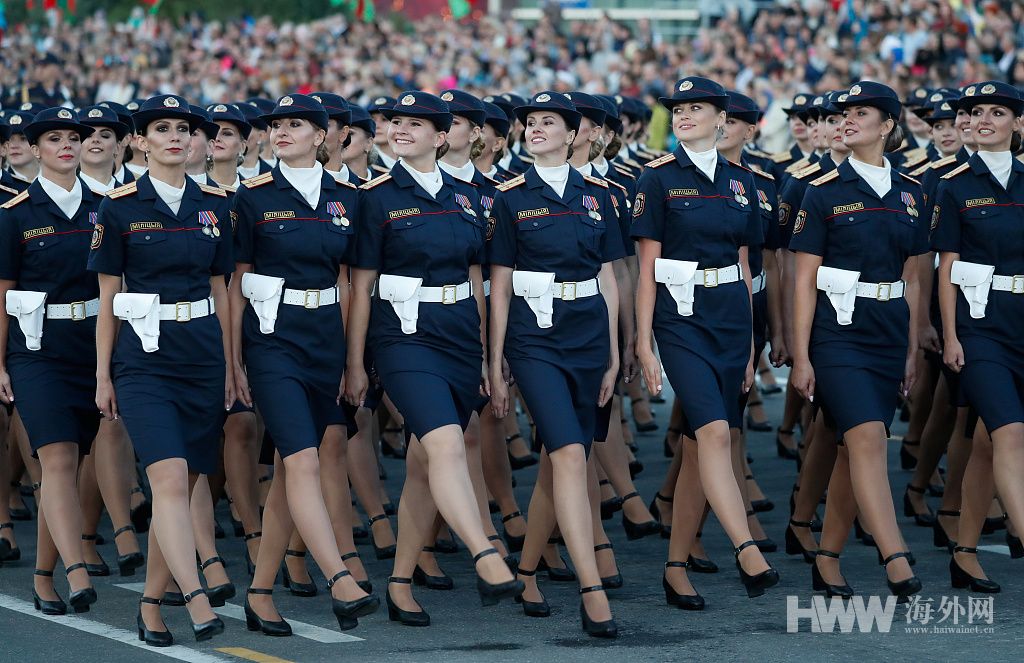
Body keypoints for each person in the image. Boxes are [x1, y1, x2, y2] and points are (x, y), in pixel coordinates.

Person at [345, 90, 522, 628]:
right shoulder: (374, 196)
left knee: (426, 464)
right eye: (396, 122)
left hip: (459, 336)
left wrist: (492, 360)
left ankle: (399, 583)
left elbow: (480, 278)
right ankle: (486, 554)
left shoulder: (471, 198)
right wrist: (356, 363)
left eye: (415, 124)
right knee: (445, 442)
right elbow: (360, 286)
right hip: (402, 337)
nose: (400, 129)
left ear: (442, 136)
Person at [230, 94, 379, 634]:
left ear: (323, 136)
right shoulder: (252, 198)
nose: (283, 131)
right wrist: (233, 362)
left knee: (299, 471)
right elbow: (234, 288)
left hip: (326, 342)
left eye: (296, 124)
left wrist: (354, 362)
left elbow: (352, 285)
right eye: (277, 125)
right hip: (271, 342)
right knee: (302, 462)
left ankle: (260, 593)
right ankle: (340, 576)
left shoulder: (349, 199)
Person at [89, 94, 233, 646]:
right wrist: (103, 374)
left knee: (189, 481)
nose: (176, 136)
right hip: (143, 359)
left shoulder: (216, 205)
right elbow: (107, 298)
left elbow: (223, 290)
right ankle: (195, 598)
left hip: (201, 353)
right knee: (168, 480)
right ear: (140, 141)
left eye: (183, 128)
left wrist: (230, 365)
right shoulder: (119, 206)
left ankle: (150, 605)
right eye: (161, 128)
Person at [632, 77, 779, 606]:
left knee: (700, 445)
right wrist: (644, 341)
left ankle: (674, 567)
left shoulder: (744, 183)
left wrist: (749, 348)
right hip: (680, 320)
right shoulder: (658, 180)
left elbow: (744, 265)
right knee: (715, 433)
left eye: (697, 108)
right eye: (679, 109)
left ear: (723, 118)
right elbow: (647, 268)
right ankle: (745, 547)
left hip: (731, 321)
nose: (684, 116)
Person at [488, 91, 624, 638]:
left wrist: (614, 354)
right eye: (532, 122)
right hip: (534, 336)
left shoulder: (601, 195)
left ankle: (526, 572)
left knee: (561, 458)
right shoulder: (509, 196)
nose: (537, 128)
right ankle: (591, 586)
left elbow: (609, 277)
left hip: (589, 333)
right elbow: (498, 286)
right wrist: (495, 364)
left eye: (550, 122)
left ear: (575, 135)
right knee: (569, 452)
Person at [789, 81, 927, 602]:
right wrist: (801, 355)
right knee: (867, 438)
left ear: (888, 125)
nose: (846, 120)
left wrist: (913, 349)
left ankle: (826, 558)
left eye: (860, 112)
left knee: (854, 450)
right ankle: (894, 553)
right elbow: (803, 281)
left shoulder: (913, 193)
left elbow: (913, 280)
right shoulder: (821, 191)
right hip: (837, 333)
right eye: (842, 113)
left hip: (889, 332)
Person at [0, 107, 102, 615]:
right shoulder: (15, 212)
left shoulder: (108, 207)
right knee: (56, 457)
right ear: (35, 149)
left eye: (72, 138)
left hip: (93, 345)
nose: (66, 145)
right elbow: (2, 294)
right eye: (53, 138)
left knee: (73, 462)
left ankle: (43, 577)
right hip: (36, 349)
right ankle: (77, 566)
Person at [932, 81, 1024, 593]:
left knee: (990, 444)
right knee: (1010, 432)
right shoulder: (954, 184)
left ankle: (964, 554)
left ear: (1018, 124)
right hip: (979, 324)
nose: (984, 119)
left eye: (997, 111)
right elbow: (947, 267)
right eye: (975, 112)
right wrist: (950, 335)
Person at [206, 104, 251, 189]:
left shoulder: (254, 195)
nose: (217, 138)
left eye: (227, 133)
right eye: (213, 133)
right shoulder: (188, 190)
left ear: (242, 146)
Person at [342, 104, 377, 183]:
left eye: (350, 133)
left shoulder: (385, 184)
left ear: (368, 143)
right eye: (339, 133)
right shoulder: (320, 181)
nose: (342, 138)